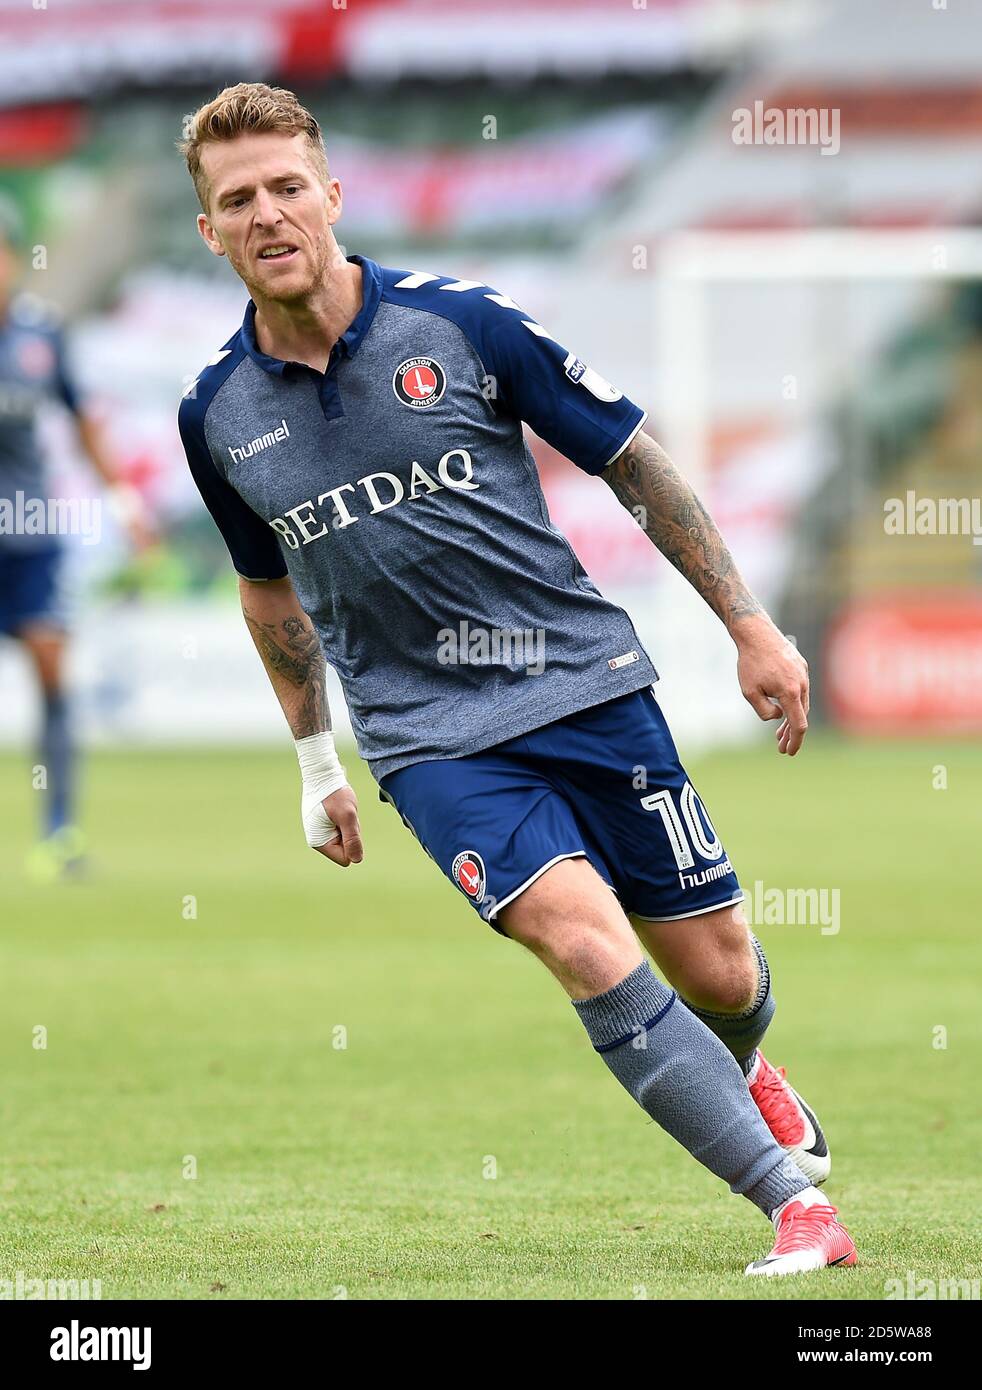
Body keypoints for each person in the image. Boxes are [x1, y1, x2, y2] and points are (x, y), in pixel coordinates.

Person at [177, 83, 856, 1277]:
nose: (267, 213)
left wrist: (750, 624)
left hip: (582, 682)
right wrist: (316, 762)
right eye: (238, 200)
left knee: (718, 967)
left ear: (331, 195)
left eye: (286, 187)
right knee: (584, 947)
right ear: (209, 232)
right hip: (428, 737)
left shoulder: (464, 326)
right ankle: (792, 1207)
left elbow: (631, 460)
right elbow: (268, 591)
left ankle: (746, 1054)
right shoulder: (214, 414)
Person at [0, 201, 150, 878]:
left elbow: (81, 419)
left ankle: (59, 831)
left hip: (30, 536)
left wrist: (122, 500)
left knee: (52, 671)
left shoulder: (40, 336)